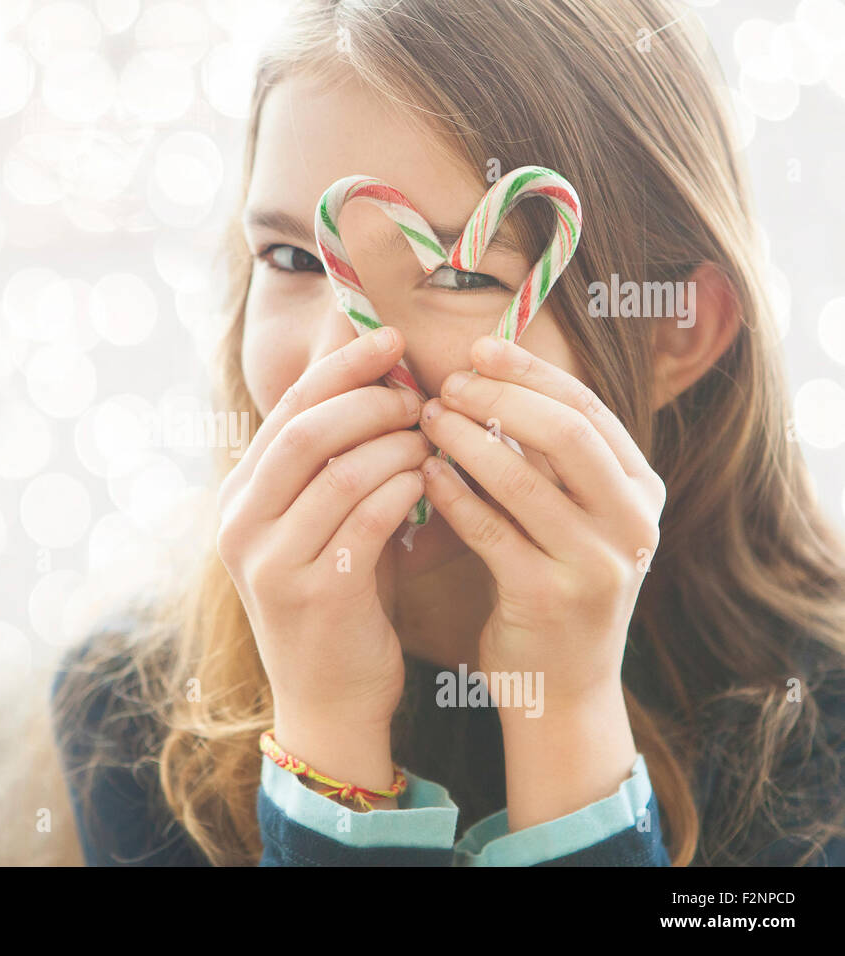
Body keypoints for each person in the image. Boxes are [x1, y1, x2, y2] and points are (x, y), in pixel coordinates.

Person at [50, 0, 845, 866]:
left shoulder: (819, 719)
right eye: (292, 259)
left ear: (674, 329)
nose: (335, 362)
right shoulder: (130, 711)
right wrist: (328, 738)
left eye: (461, 271)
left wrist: (564, 717)